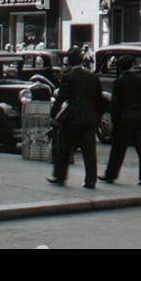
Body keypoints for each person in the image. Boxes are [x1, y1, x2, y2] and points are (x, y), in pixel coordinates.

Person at [48, 47, 106, 189]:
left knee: (65, 147)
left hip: (72, 117)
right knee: (89, 151)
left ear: (70, 62)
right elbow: (99, 99)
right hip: (89, 117)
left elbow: (60, 99)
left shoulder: (68, 77)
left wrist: (53, 114)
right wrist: (97, 116)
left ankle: (60, 176)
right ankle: (90, 180)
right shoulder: (93, 77)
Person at [102, 56, 141, 186]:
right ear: (132, 65)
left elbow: (115, 104)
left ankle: (111, 174)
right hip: (140, 116)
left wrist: (114, 119)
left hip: (124, 118)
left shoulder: (119, 82)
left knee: (118, 149)